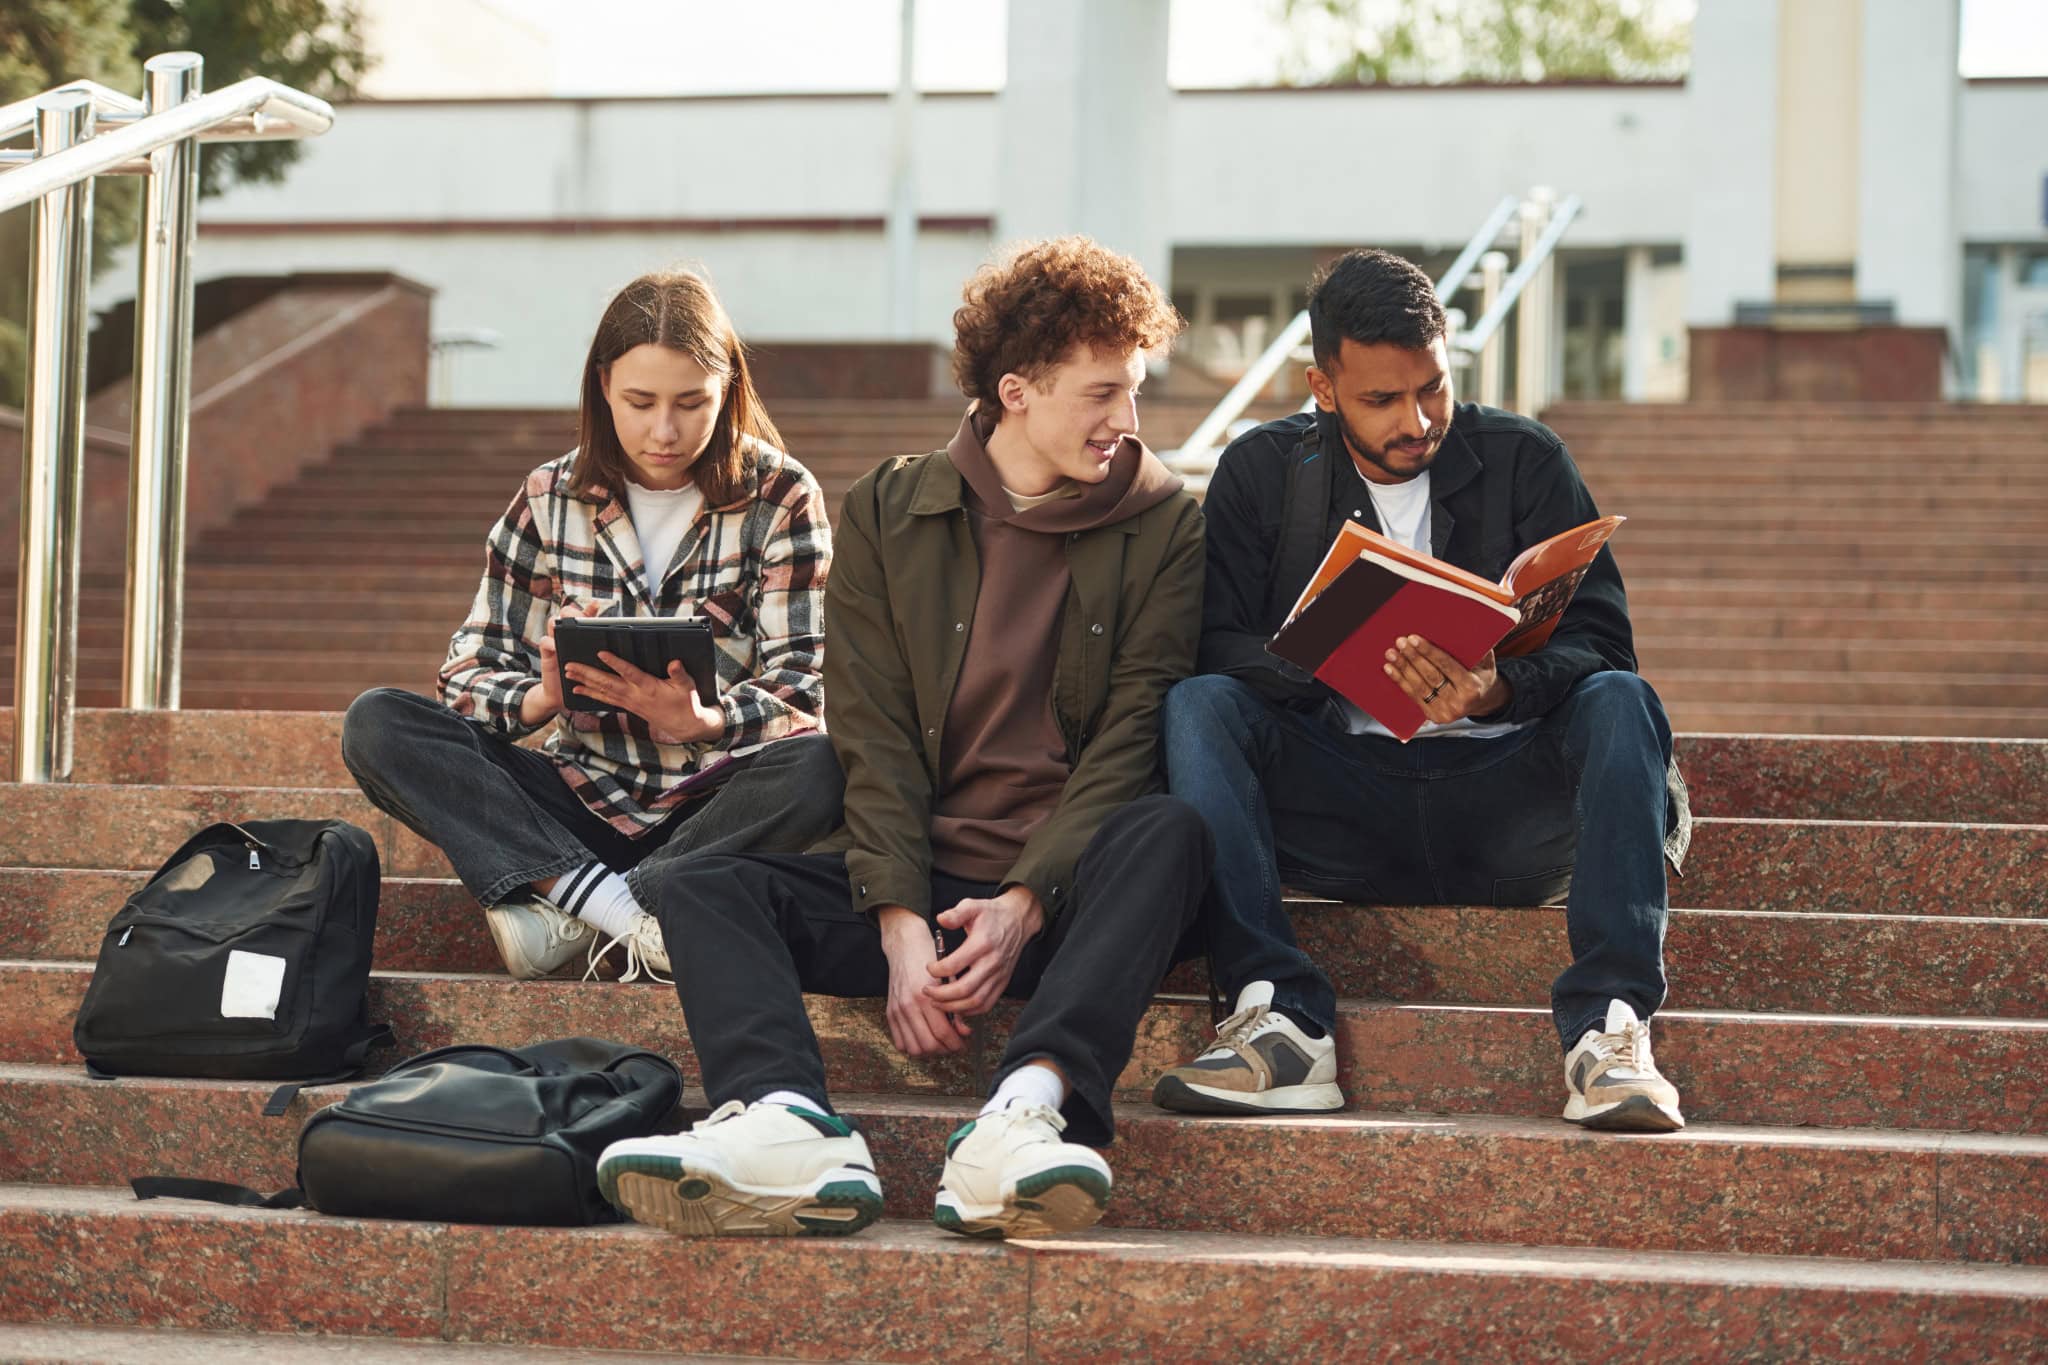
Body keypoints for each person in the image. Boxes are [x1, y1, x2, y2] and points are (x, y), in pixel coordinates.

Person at [595, 236, 1209, 1239]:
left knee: (1170, 832)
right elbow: (870, 734)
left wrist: (1021, 906)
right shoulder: (892, 506)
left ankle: (1023, 1116)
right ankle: (785, 1120)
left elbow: (1132, 737)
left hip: (1072, 901)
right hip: (915, 881)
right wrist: (897, 920)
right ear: (1016, 392)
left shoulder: (1166, 526)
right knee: (700, 883)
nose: (1126, 421)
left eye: (1132, 393)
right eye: (1102, 394)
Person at [1152, 248, 1692, 1132]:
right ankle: (1281, 1021)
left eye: (1433, 387)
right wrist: (1324, 661)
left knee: (1623, 701)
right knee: (1200, 703)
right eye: (1381, 399)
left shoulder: (1524, 459)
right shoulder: (1261, 473)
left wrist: (1497, 690)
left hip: (1506, 805)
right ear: (1322, 388)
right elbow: (1207, 640)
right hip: (1345, 803)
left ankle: (1610, 1030)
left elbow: (1604, 646)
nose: (1417, 420)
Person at [342, 268, 841, 984]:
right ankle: (621, 911)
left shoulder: (782, 496)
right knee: (378, 723)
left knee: (823, 766)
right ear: (603, 385)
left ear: (728, 388)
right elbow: (467, 675)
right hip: (574, 802)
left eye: (691, 403)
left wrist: (707, 721)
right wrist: (539, 698)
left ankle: (578, 905)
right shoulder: (550, 496)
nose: (663, 431)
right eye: (640, 402)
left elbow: (804, 686)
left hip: (712, 812)